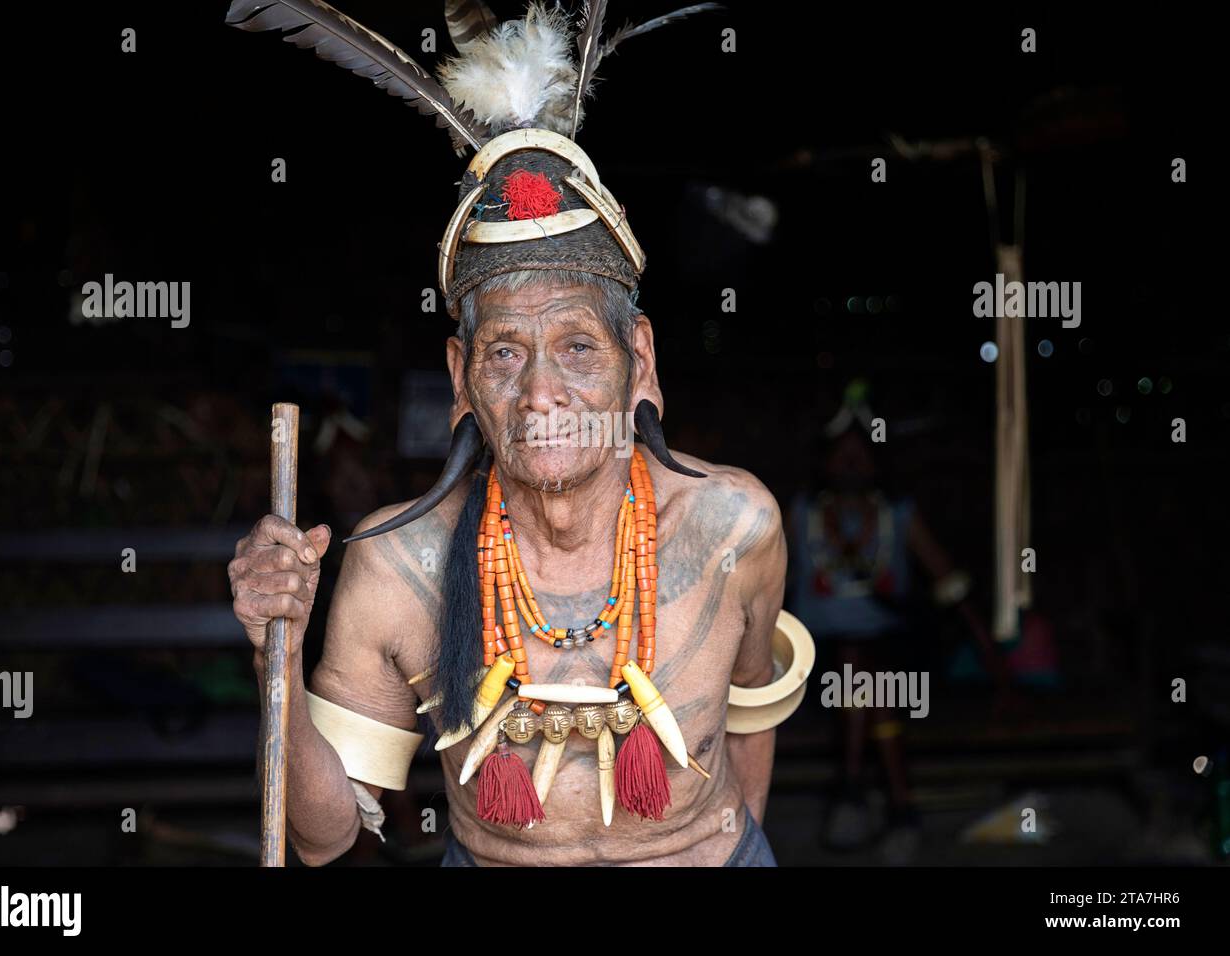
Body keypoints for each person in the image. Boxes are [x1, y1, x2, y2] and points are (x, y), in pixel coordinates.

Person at [225, 0, 787, 866]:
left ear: (638, 360)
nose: (540, 395)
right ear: (460, 378)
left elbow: (751, 714)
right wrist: (279, 658)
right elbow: (324, 838)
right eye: (504, 354)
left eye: (577, 347)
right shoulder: (397, 565)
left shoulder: (733, 528)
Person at [787, 387, 973, 862]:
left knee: (869, 672)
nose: (851, 463)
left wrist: (995, 659)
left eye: (861, 454)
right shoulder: (801, 515)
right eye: (842, 454)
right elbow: (763, 584)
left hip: (889, 653)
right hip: (817, 661)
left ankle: (852, 795)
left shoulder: (898, 515)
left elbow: (950, 585)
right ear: (825, 461)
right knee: (861, 671)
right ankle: (901, 810)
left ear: (877, 462)